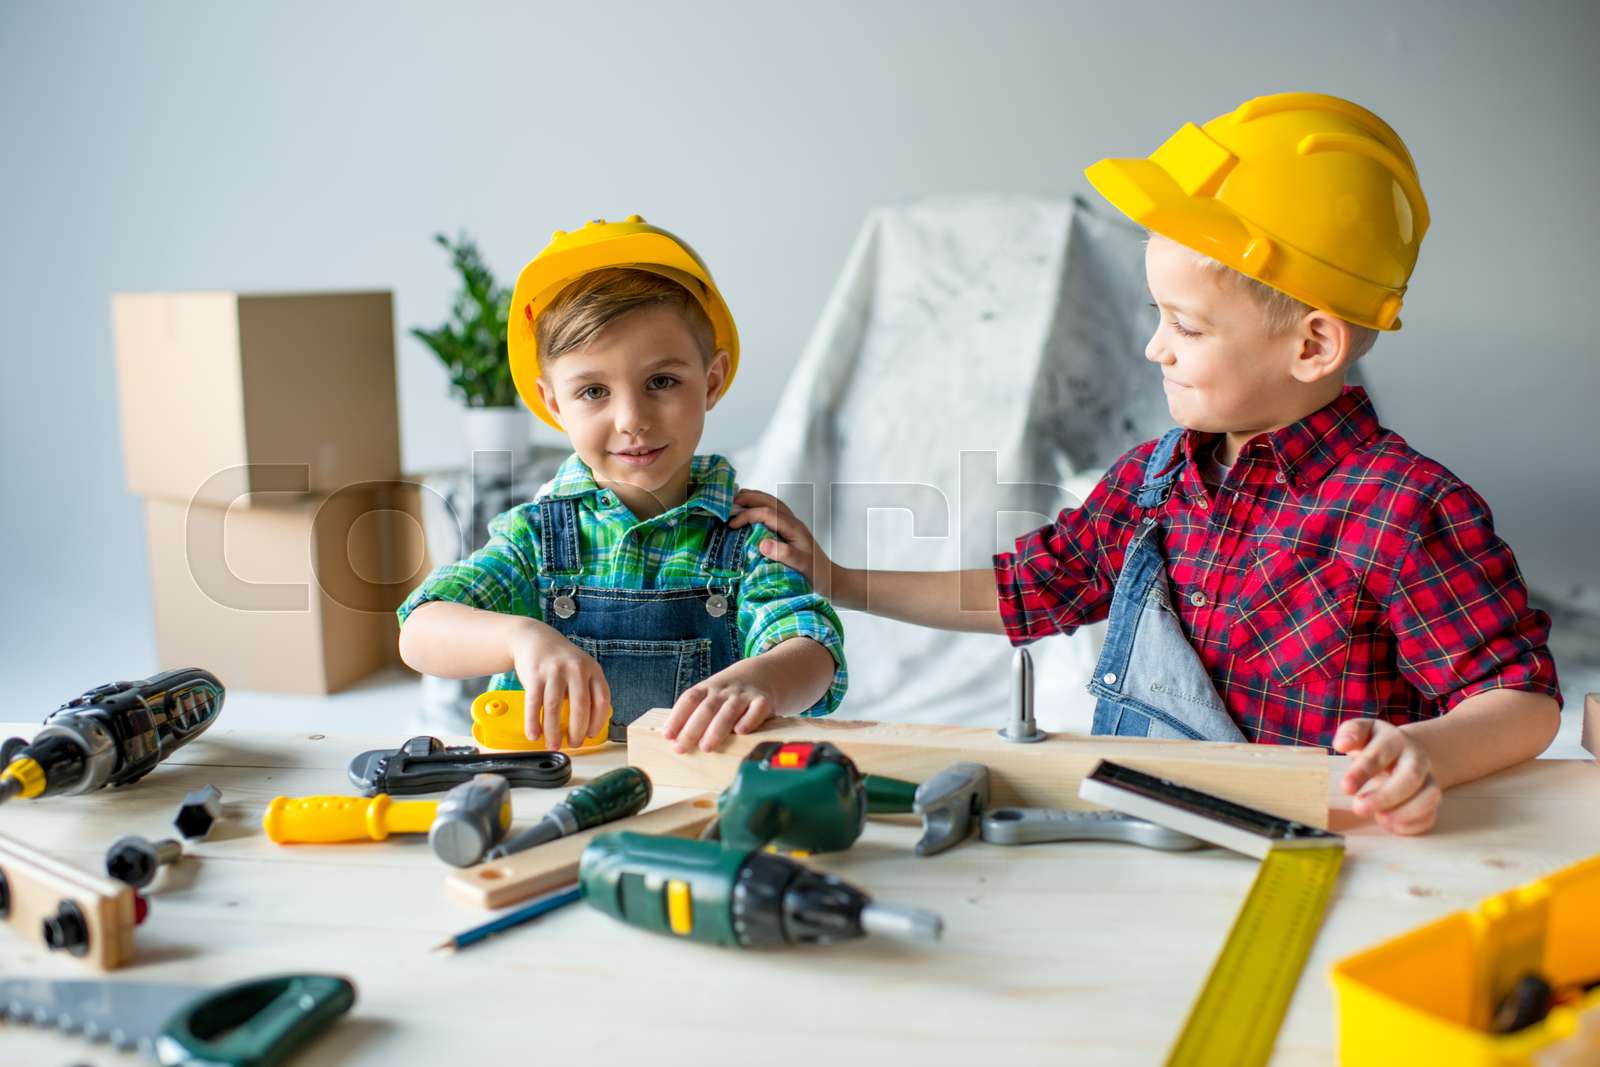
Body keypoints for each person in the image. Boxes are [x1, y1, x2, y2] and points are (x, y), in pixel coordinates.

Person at [732, 94, 1561, 835]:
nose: (1153, 345)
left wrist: (1426, 754)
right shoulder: (1157, 478)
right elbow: (1031, 588)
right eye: (1157, 314)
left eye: (1188, 327)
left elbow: (1519, 699)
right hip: (1157, 833)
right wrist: (840, 579)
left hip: (1331, 854)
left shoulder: (1405, 508)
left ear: (1312, 344)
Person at [398, 216, 846, 753]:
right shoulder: (537, 538)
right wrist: (521, 637)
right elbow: (418, 632)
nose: (632, 418)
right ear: (552, 403)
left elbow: (813, 648)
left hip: (696, 791)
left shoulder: (748, 536)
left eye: (661, 382)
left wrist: (765, 680)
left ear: (712, 381)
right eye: (593, 391)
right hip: (554, 789)